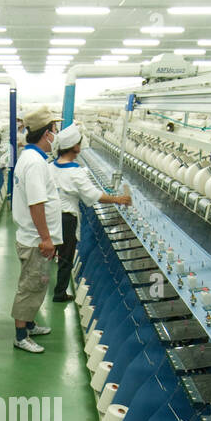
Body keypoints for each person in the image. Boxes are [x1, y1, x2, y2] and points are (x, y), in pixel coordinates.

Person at [50, 123, 132, 302]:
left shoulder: (51, 166)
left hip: (50, 215)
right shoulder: (75, 172)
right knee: (65, 257)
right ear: (76, 147)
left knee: (48, 253)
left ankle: (41, 286)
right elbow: (93, 195)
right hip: (66, 219)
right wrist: (118, 199)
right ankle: (59, 293)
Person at [9, 107, 62, 354]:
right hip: (35, 240)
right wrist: (47, 238)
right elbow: (36, 204)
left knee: (36, 284)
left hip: (31, 237)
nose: (56, 134)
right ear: (46, 133)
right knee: (30, 286)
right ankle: (21, 336)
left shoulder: (31, 158)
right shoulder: (35, 163)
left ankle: (29, 324)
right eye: (54, 129)